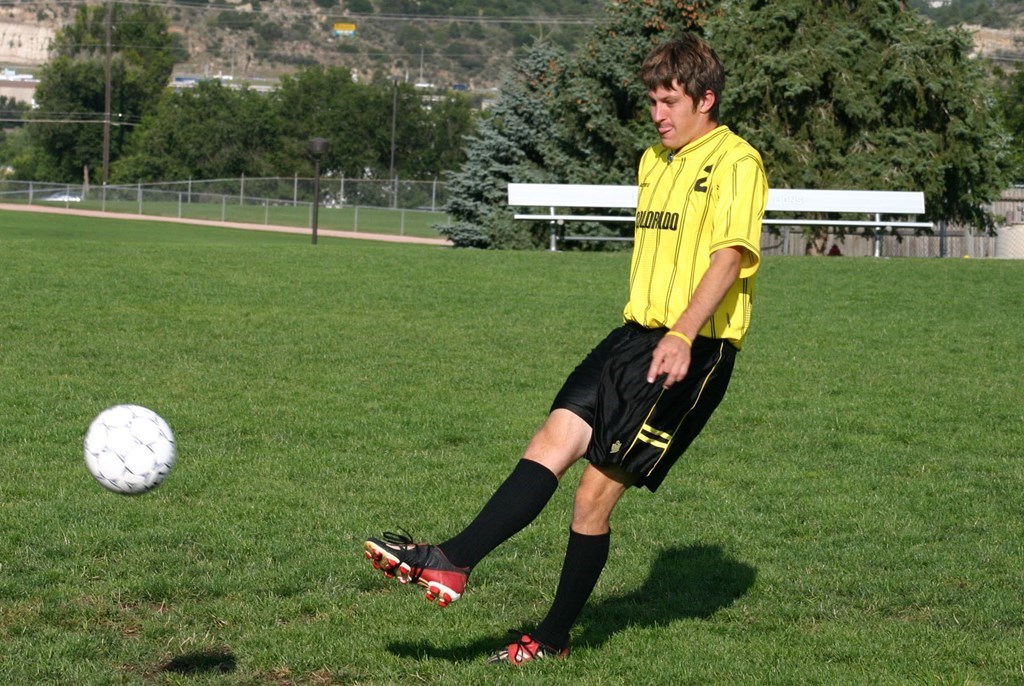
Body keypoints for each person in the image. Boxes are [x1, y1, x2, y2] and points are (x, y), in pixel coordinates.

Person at [363, 33, 768, 666]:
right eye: (652, 102)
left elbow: (730, 257)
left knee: (591, 498)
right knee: (551, 440)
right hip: (632, 337)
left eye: (669, 102)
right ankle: (452, 561)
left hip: (691, 350)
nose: (657, 115)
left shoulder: (737, 162)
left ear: (705, 100)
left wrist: (682, 333)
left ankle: (551, 639)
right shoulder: (653, 161)